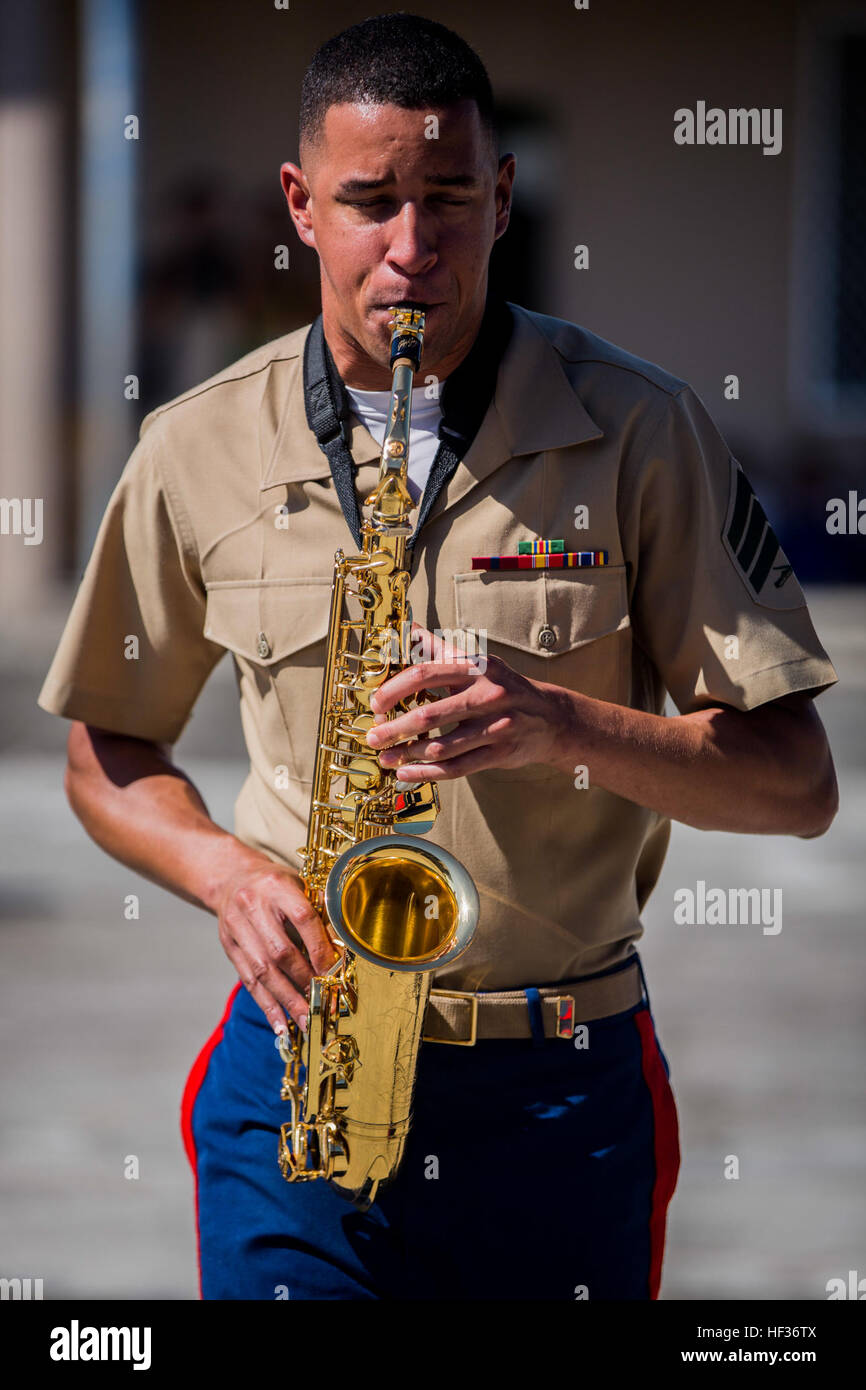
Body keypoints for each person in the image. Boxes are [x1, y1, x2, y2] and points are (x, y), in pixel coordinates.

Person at [38, 13, 839, 1301]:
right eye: (369, 204)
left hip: (555, 1092)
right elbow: (103, 748)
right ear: (299, 204)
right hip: (300, 1063)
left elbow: (798, 786)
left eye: (450, 198)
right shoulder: (192, 447)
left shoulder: (643, 430)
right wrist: (227, 875)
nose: (411, 251)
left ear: (505, 195)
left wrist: (569, 729)